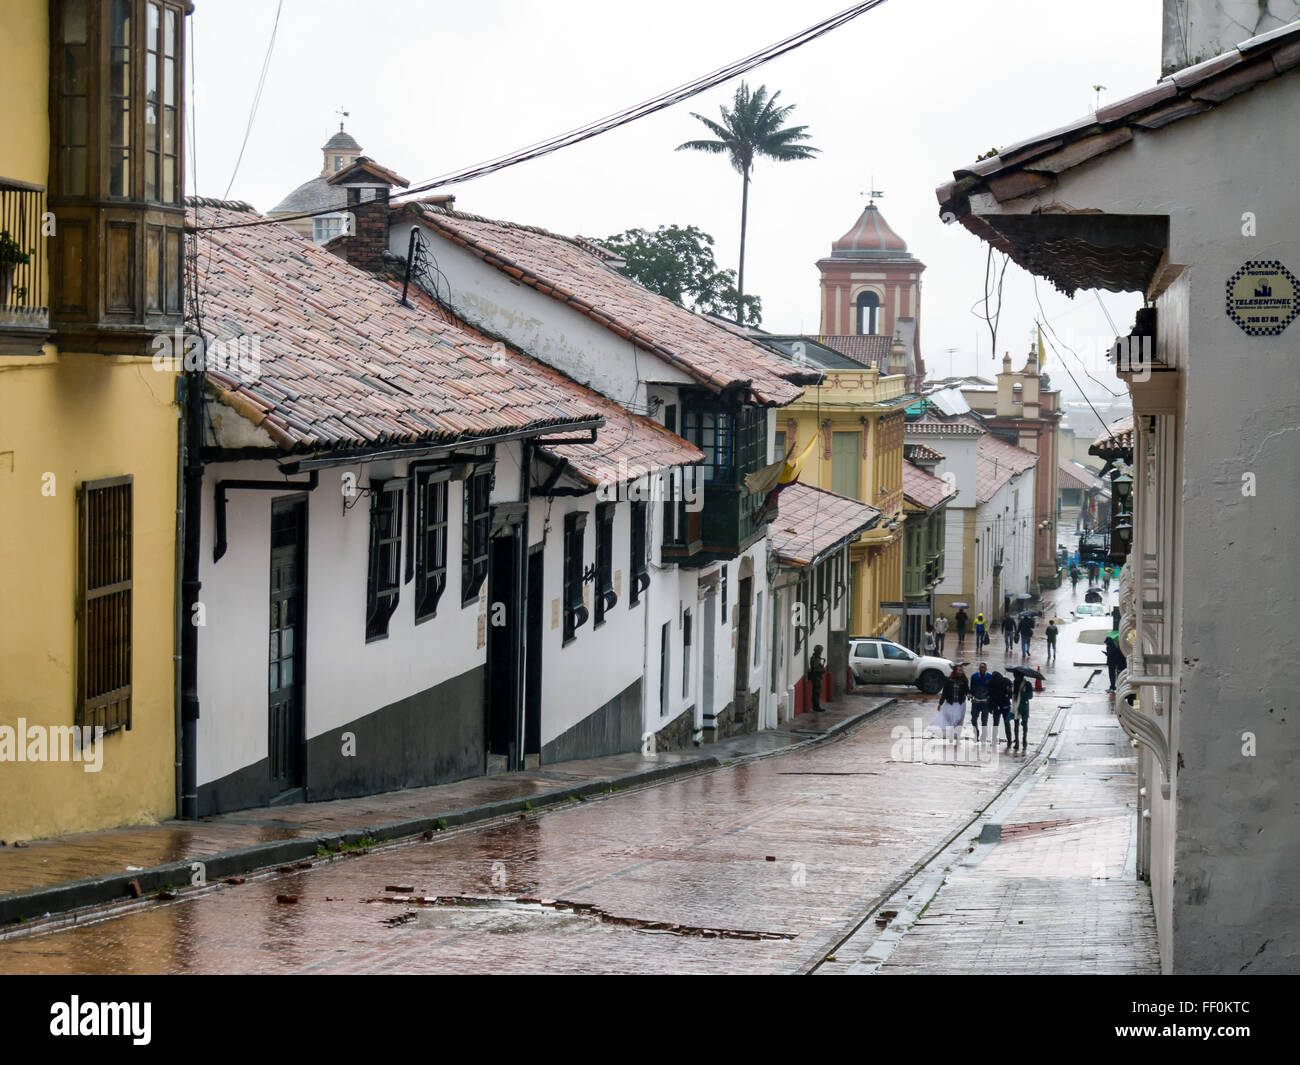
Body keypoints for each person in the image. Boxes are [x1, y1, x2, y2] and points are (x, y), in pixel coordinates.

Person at [930, 665, 969, 742]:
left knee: (958, 719)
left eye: (961, 670)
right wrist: (940, 703)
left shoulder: (964, 680)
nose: (961, 672)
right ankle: (952, 736)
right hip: (950, 703)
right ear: (955, 671)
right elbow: (944, 693)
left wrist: (969, 694)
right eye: (959, 670)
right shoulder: (949, 680)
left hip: (960, 703)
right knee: (952, 720)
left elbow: (967, 690)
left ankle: (956, 736)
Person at [990, 670, 1013, 748]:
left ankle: (994, 741)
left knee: (995, 723)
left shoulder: (992, 683)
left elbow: (990, 696)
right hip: (1005, 706)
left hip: (997, 707)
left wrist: (991, 708)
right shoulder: (1007, 681)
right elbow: (1011, 694)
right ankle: (1009, 740)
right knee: (1007, 723)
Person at [969, 662, 992, 742]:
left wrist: (990, 699)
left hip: (985, 703)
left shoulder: (990, 677)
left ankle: (984, 735)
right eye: (981, 667)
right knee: (973, 719)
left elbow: (992, 690)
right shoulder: (974, 676)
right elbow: (971, 688)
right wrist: (970, 695)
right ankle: (976, 732)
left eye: (983, 667)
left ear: (986, 669)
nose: (982, 669)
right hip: (976, 701)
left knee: (984, 720)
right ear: (979, 668)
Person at [1012, 672, 1033, 751]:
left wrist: (1022, 693)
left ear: (1021, 676)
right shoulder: (1014, 683)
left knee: (1024, 724)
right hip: (1016, 706)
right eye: (1014, 676)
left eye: (1016, 676)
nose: (1015, 677)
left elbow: (1030, 696)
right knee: (1016, 724)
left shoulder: (1027, 684)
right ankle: (1017, 742)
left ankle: (1024, 740)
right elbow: (1013, 694)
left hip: (1024, 706)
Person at [808, 645, 827, 711]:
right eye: (820, 650)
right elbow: (815, 669)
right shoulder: (815, 658)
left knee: (817, 692)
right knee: (816, 692)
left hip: (817, 677)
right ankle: (816, 707)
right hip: (816, 678)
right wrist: (822, 670)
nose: (821, 652)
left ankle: (816, 706)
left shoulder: (817, 658)